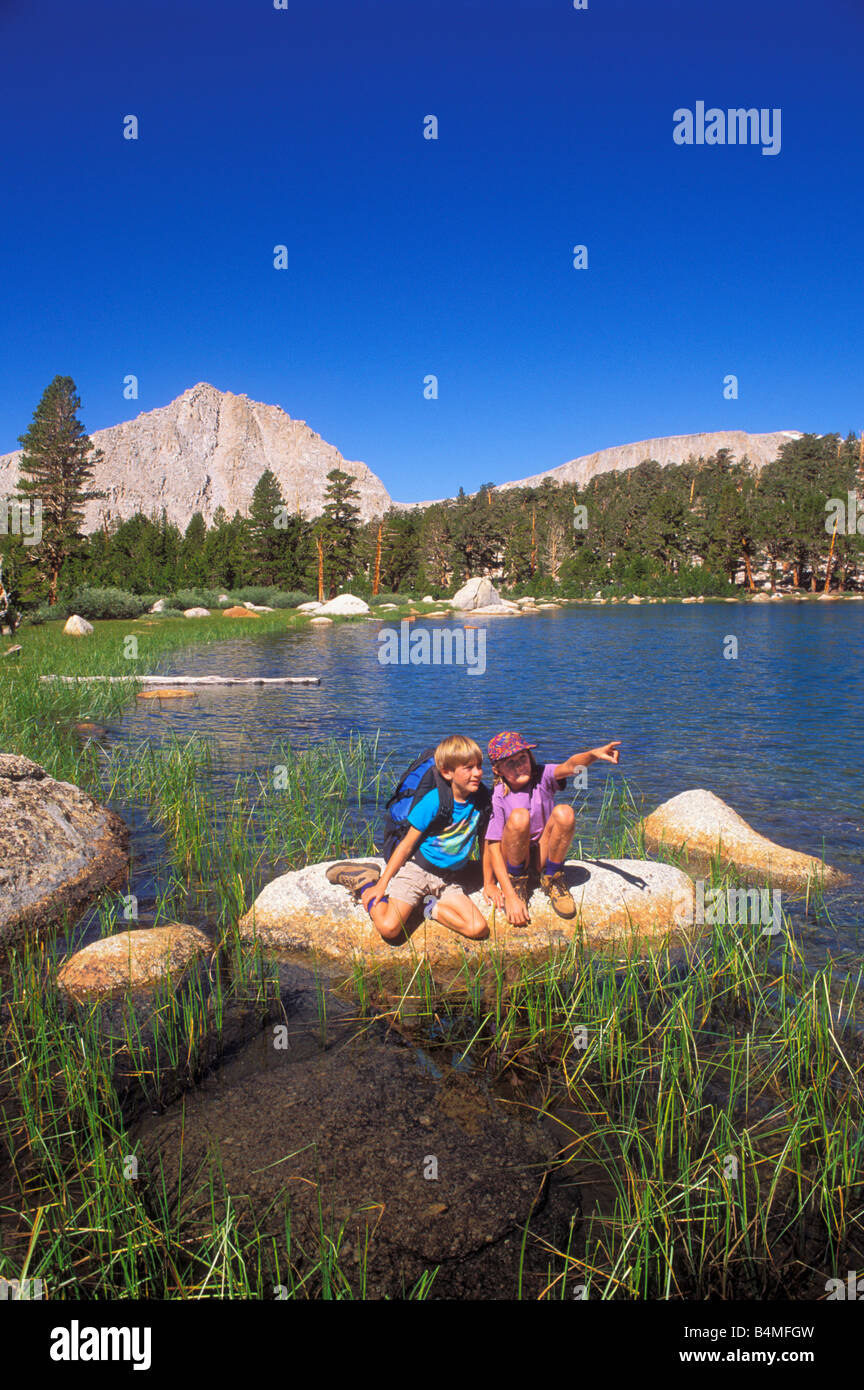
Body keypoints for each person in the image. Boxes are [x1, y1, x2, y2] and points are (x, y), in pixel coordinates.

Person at [326, 734, 493, 944]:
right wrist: (382, 885)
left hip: (449, 880)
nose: (477, 773)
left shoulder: (481, 801)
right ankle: (364, 882)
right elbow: (406, 846)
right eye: (468, 768)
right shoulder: (434, 801)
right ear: (447, 772)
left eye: (479, 766)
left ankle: (428, 907)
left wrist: (489, 883)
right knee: (389, 928)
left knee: (478, 928)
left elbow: (486, 842)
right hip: (418, 872)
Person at [483, 730, 621, 924]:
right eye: (510, 763)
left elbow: (571, 766)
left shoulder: (542, 775)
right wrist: (495, 887)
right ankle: (516, 883)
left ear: (530, 757)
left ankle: (552, 877)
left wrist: (593, 755)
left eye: (522, 758)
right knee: (519, 816)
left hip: (541, 854)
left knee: (564, 812)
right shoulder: (498, 795)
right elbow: (492, 846)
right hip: (514, 858)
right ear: (498, 770)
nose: (519, 767)